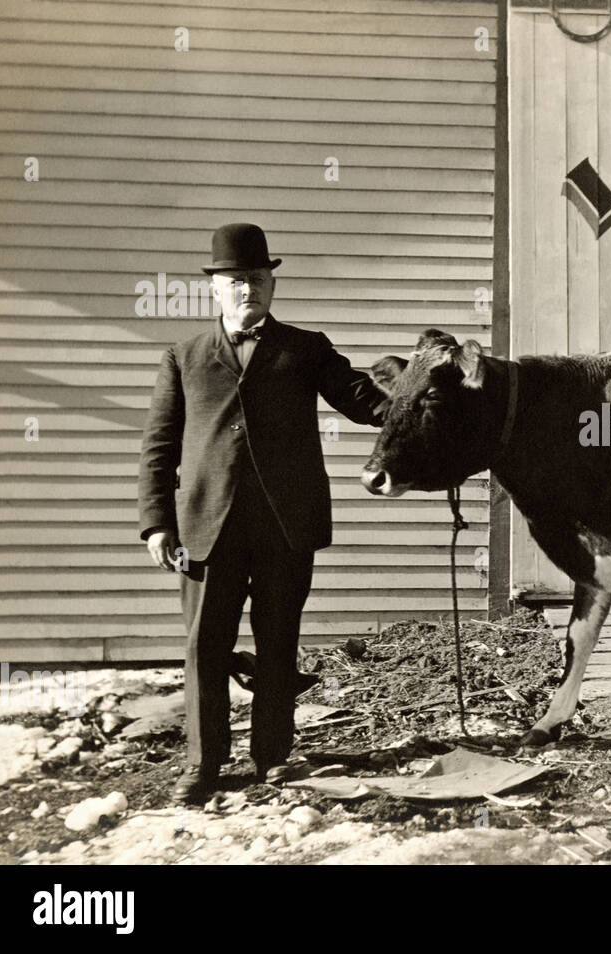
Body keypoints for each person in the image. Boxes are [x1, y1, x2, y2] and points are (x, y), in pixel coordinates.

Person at [138, 223, 391, 804]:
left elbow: (360, 400)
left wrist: (418, 406)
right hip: (207, 527)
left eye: (257, 279)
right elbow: (159, 444)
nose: (247, 289)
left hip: (285, 524)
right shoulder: (184, 357)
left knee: (279, 641)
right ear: (216, 289)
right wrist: (156, 521)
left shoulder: (305, 348)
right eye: (235, 281)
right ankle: (203, 766)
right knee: (205, 647)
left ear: (271, 284)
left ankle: (273, 756)